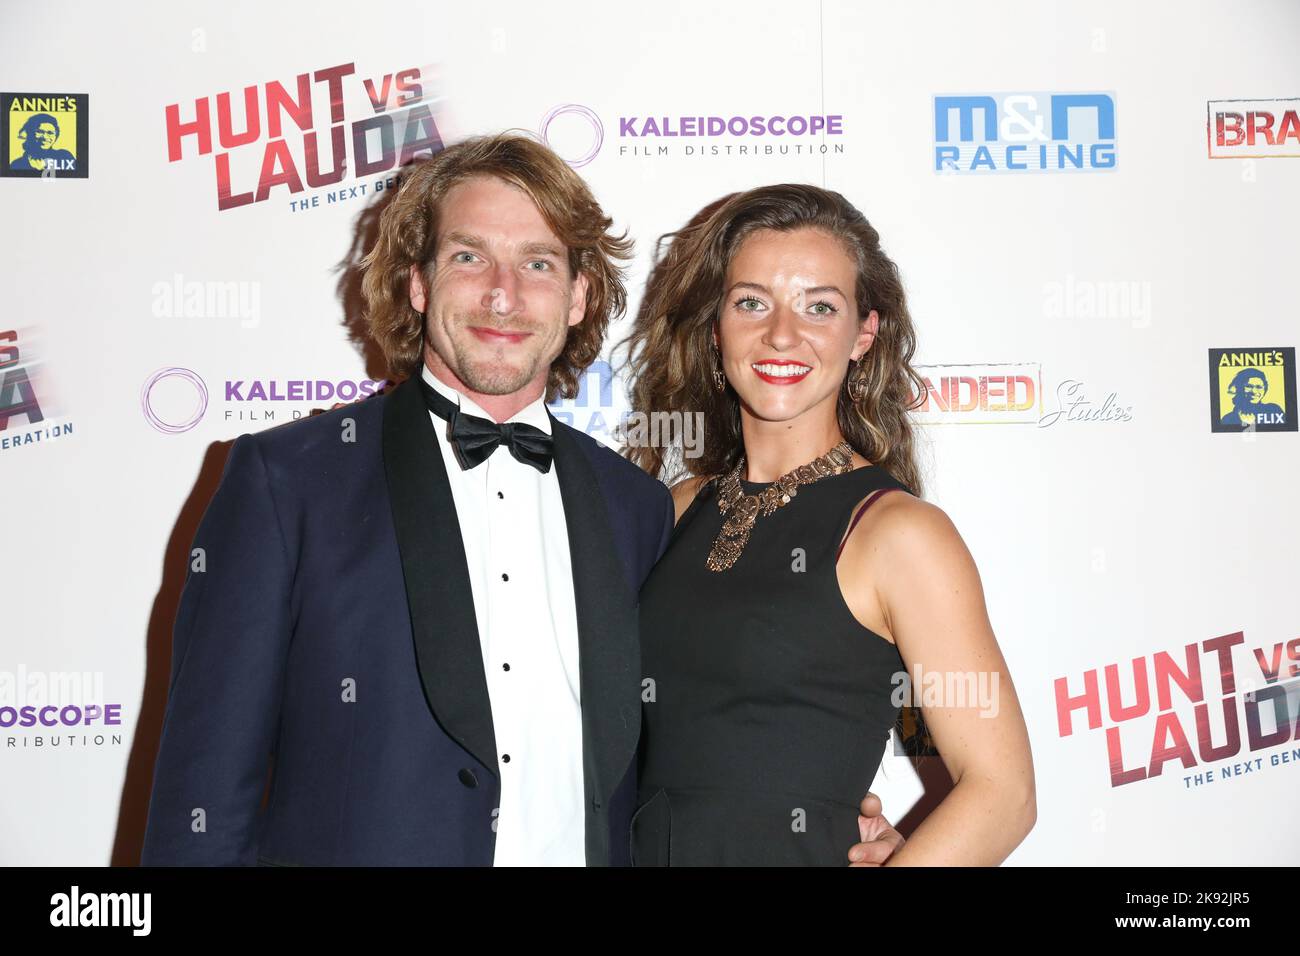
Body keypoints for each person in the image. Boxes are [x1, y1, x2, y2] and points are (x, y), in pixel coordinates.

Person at [141, 133, 674, 866]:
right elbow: (204, 791)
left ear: (579, 296)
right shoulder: (287, 484)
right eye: (468, 257)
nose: (502, 294)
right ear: (418, 283)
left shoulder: (638, 508)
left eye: (539, 264)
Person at [622, 184, 1037, 865]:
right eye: (752, 302)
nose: (781, 334)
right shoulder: (674, 509)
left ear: (863, 334)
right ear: (716, 324)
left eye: (819, 307)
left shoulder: (897, 534)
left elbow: (1003, 792)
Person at [1219, 367, 1285, 428]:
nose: (1254, 391)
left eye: (1259, 387)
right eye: (1248, 386)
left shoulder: (1274, 410)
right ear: (1239, 388)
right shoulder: (1228, 419)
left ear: (1265, 390)